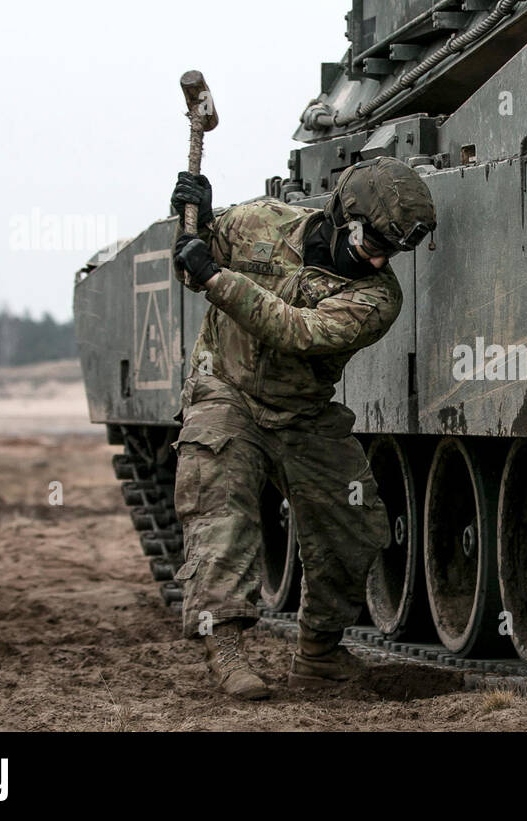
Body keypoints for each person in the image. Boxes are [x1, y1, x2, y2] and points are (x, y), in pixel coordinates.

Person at [169, 157, 436, 699]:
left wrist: (216, 279)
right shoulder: (257, 224)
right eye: (372, 242)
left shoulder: (379, 299)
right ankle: (226, 648)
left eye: (393, 250)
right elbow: (189, 262)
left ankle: (319, 653)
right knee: (223, 510)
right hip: (226, 388)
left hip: (301, 412)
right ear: (342, 216)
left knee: (353, 522)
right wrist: (189, 221)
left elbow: (298, 332)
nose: (381, 258)